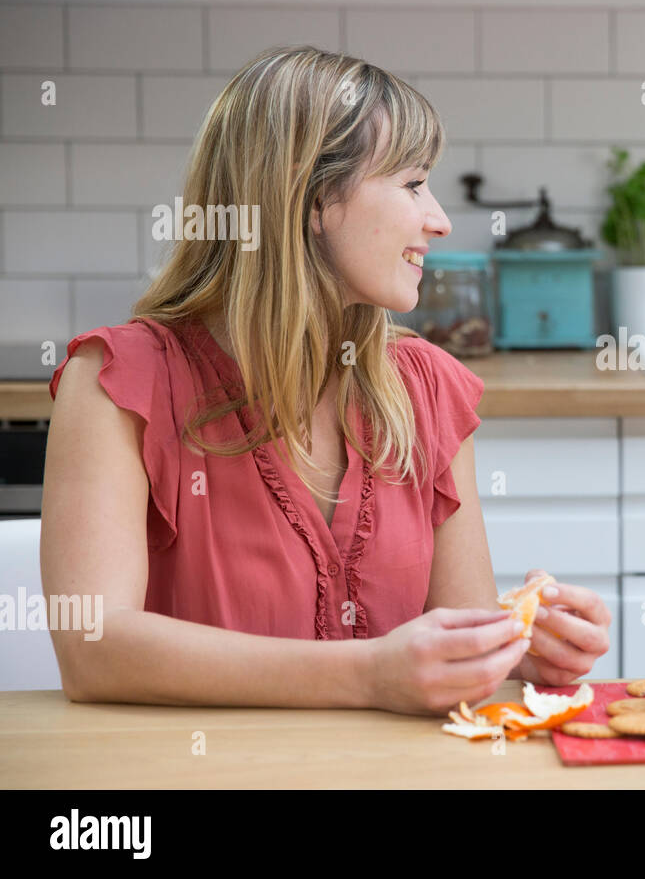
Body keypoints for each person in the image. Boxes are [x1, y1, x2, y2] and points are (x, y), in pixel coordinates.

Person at [41, 45, 610, 715]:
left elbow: (455, 652)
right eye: (411, 183)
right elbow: (93, 649)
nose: (440, 219)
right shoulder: (118, 383)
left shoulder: (424, 390)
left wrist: (519, 654)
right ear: (314, 200)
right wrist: (368, 674)